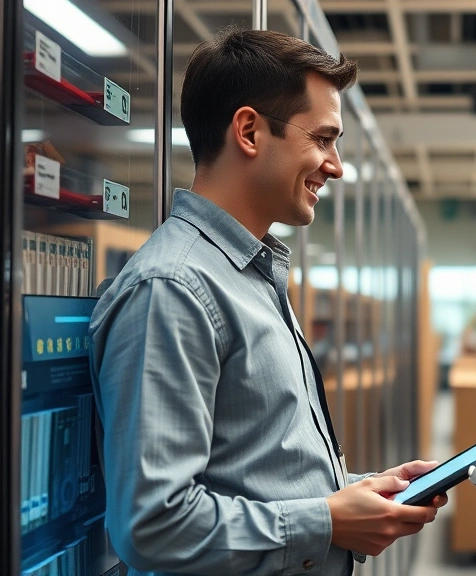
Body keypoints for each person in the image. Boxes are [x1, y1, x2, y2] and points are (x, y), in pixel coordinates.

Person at [89, 29, 444, 576]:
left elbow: (255, 469)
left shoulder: (250, 277)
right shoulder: (173, 289)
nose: (337, 164)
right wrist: (327, 520)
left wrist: (355, 495)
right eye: (323, 139)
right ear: (250, 131)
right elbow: (152, 526)